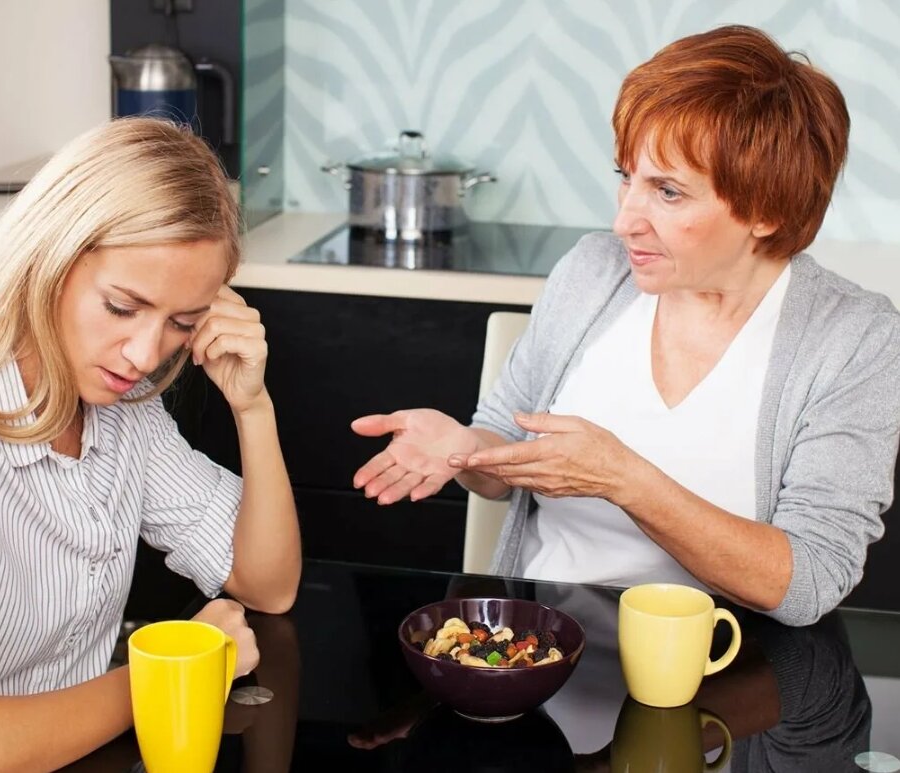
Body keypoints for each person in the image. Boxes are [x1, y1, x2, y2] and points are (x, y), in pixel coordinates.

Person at [351, 24, 900, 627]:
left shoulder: (855, 338)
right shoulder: (591, 271)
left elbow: (810, 581)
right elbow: (503, 451)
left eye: (667, 191)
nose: (624, 222)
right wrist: (465, 449)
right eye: (626, 178)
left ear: (767, 209)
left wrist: (624, 479)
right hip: (542, 653)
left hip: (730, 684)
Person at [0, 117, 302, 771]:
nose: (145, 353)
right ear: (49, 257)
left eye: (182, 323)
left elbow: (267, 582)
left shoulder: (120, 411)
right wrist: (175, 670)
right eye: (122, 306)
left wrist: (252, 406)